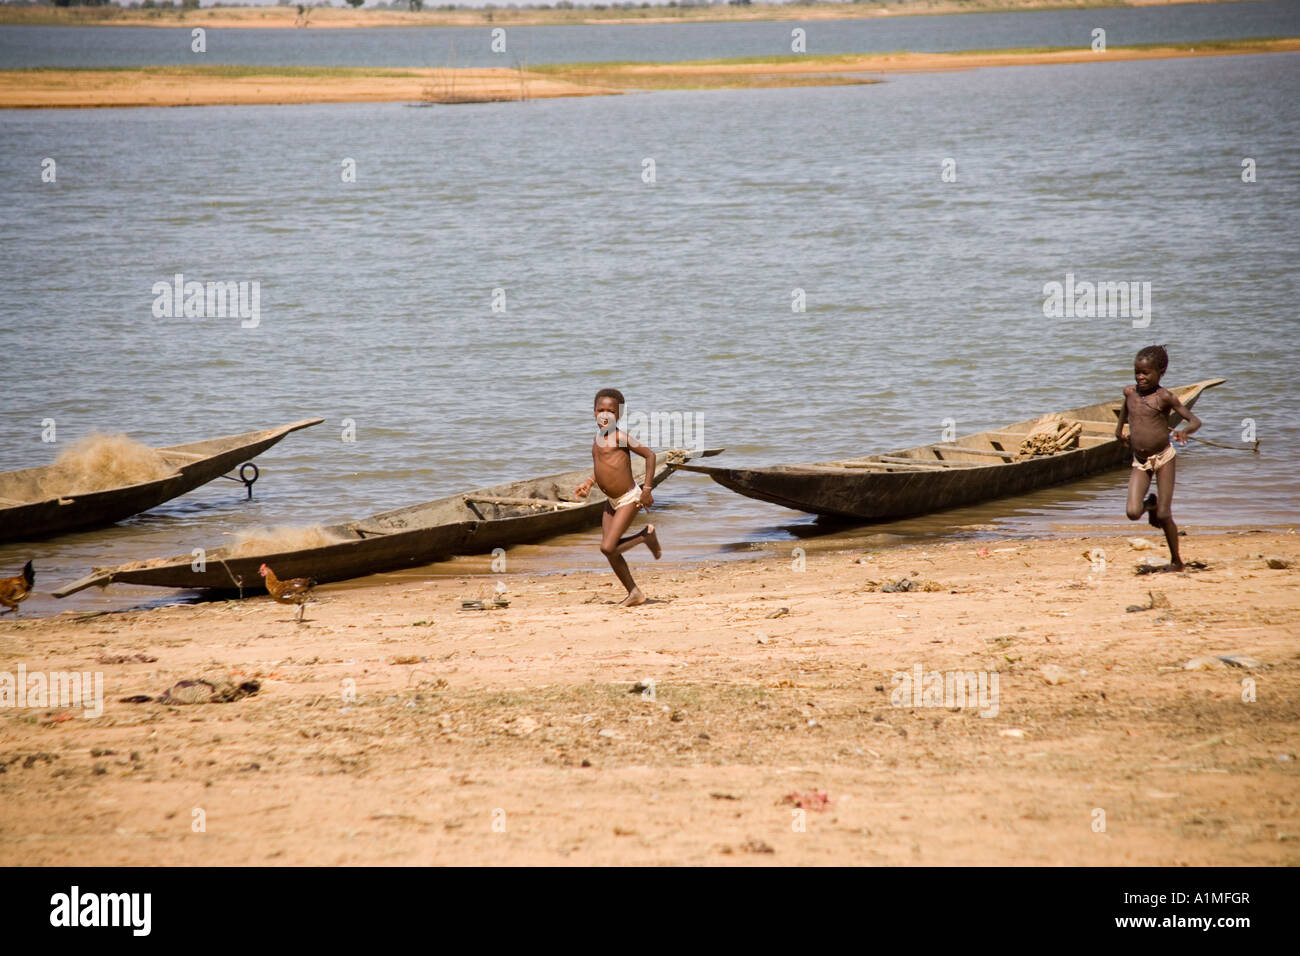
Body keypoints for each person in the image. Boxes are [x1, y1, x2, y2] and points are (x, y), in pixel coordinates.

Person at [1115, 345, 1202, 571]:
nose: (1140, 377)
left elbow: (1194, 421)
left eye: (1146, 373)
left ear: (1160, 372)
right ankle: (1149, 506)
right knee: (1133, 512)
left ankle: (1176, 560)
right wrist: (1118, 431)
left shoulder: (1164, 397)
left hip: (1163, 457)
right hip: (1141, 460)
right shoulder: (1130, 393)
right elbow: (1126, 410)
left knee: (1165, 514)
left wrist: (1185, 431)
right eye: (1137, 372)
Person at [574, 388, 661, 606]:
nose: (605, 415)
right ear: (593, 412)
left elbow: (650, 455)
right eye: (600, 410)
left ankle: (646, 535)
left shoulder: (620, 436)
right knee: (610, 550)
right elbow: (603, 465)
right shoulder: (598, 438)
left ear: (619, 414)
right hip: (610, 502)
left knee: (607, 547)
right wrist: (589, 482)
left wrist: (647, 490)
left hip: (629, 498)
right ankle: (634, 593)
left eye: (610, 411)